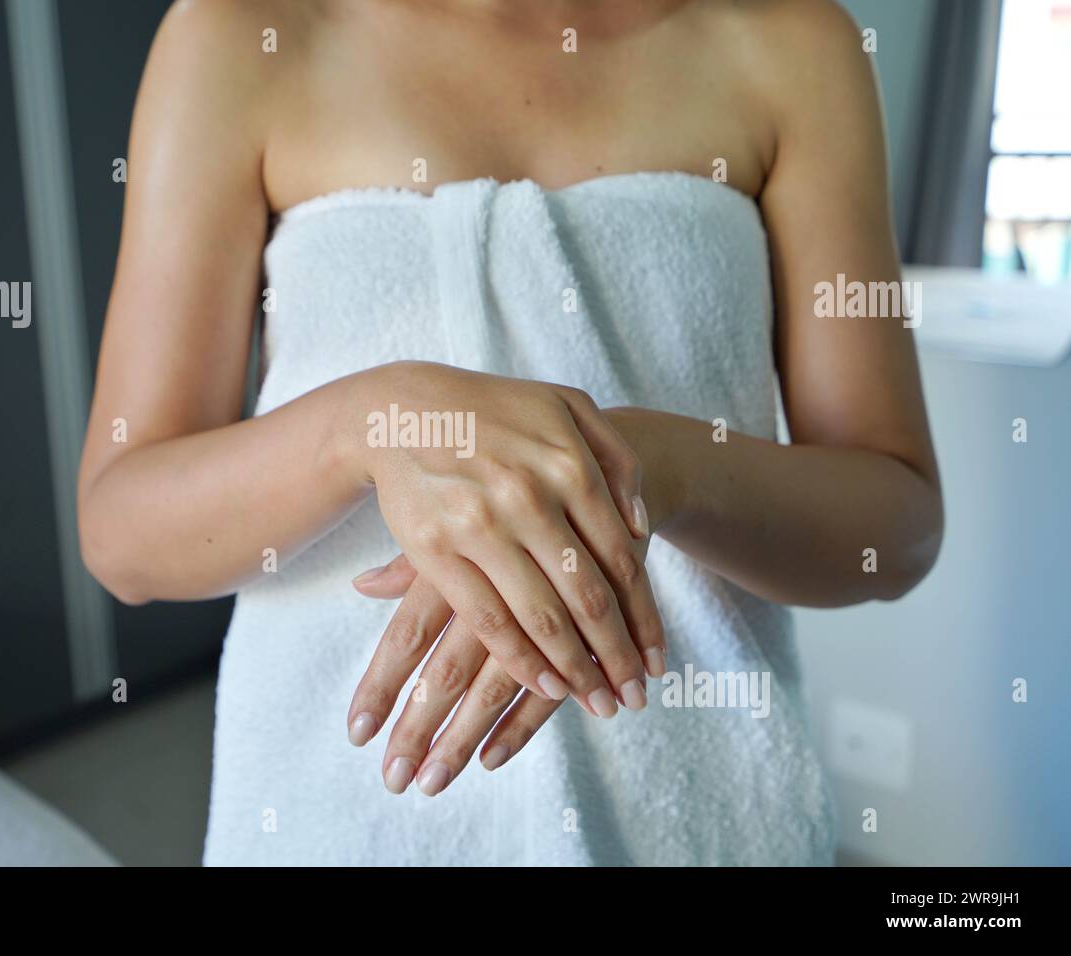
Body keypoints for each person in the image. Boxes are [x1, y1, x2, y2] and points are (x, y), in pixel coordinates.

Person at [77, 0, 943, 865]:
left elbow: (895, 524)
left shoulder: (795, 42)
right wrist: (367, 425)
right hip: (347, 818)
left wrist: (648, 465)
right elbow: (123, 528)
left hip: (698, 828)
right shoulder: (239, 35)